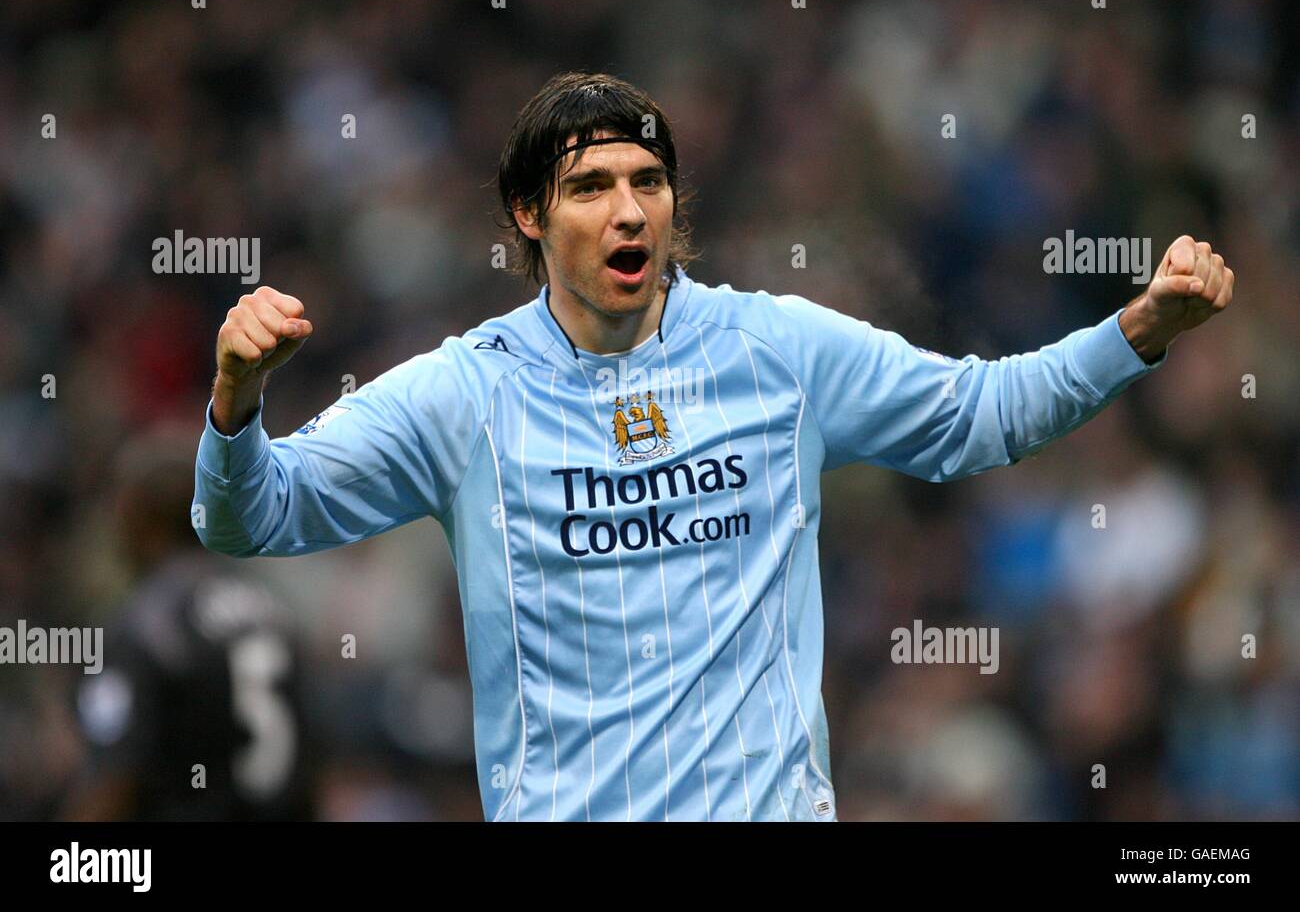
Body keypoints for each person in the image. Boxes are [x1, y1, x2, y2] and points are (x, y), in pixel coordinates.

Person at [192, 71, 1235, 821]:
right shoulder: (464, 393)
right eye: (590, 186)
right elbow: (250, 518)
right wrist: (237, 403)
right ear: (528, 213)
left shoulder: (775, 349)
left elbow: (979, 414)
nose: (628, 209)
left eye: (648, 180)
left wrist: (1134, 332)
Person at [67, 429, 313, 820]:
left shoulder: (143, 624)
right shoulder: (276, 612)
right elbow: (313, 762)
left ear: (140, 517)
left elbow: (114, 785)